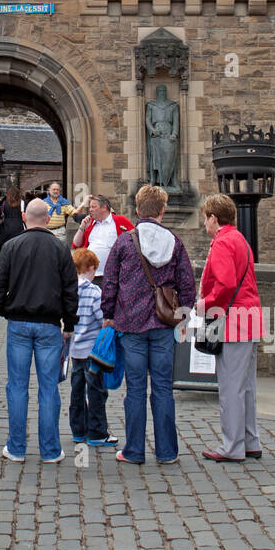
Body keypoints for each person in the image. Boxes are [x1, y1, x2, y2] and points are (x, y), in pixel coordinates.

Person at [101, 184, 195, 465]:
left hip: (131, 324)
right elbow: (187, 284)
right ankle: (167, 452)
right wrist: (184, 317)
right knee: (164, 388)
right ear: (163, 211)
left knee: (136, 390)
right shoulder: (175, 242)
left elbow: (110, 282)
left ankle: (134, 451)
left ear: (138, 210)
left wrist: (108, 314)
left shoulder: (124, 242)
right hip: (164, 324)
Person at [0, 197, 79, 463]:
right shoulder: (61, 248)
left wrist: (7, 310)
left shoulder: (11, 246)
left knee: (17, 386)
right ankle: (50, 450)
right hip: (50, 326)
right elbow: (70, 291)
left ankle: (16, 448)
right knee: (49, 389)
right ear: (48, 218)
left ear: (25, 217)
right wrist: (70, 324)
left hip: (18, 324)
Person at [198, 194, 264, 463]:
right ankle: (250, 440)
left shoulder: (223, 242)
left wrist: (206, 304)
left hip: (234, 321)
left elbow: (224, 285)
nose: (204, 224)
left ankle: (232, 446)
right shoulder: (239, 239)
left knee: (230, 387)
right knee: (246, 386)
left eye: (205, 219)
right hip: (249, 318)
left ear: (214, 218)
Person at [68, 248, 118, 448]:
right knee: (96, 390)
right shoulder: (94, 292)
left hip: (75, 348)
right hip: (92, 350)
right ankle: (97, 432)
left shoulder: (69, 290)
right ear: (90, 268)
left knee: (77, 390)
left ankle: (78, 430)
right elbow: (102, 318)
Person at [71, 193, 134, 275]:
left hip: (113, 275)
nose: (90, 209)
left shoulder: (120, 221)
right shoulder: (90, 223)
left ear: (104, 207)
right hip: (91, 275)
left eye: (93, 207)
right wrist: (82, 227)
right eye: (90, 207)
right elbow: (76, 244)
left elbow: (135, 239)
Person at [0, 185, 25, 250]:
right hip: (19, 227)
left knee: (7, 247)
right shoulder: (22, 202)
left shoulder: (4, 203)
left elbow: (1, 215)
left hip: (7, 227)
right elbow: (24, 215)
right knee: (18, 248)